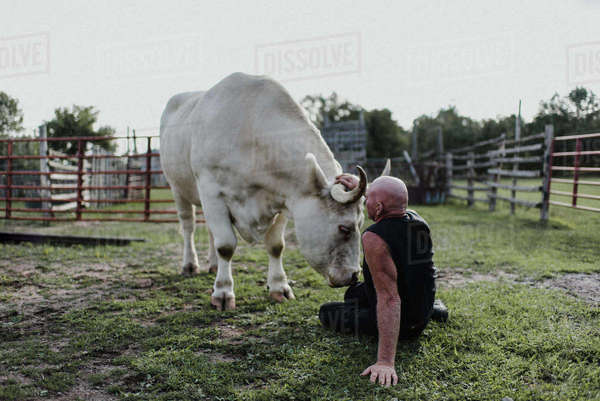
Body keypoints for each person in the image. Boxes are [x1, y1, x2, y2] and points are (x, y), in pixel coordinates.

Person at [319, 174, 448, 387]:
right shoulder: (418, 220)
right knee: (352, 294)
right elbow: (386, 199)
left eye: (367, 197)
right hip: (421, 308)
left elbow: (389, 298)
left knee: (328, 313)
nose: (365, 199)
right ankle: (435, 309)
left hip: (407, 325)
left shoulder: (374, 238)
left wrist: (385, 361)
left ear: (378, 208)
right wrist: (361, 188)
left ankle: (405, 328)